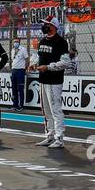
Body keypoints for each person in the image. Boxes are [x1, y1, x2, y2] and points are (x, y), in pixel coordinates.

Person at [33, 18, 70, 148]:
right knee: (46, 111)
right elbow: (39, 57)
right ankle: (50, 136)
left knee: (56, 110)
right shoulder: (42, 41)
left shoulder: (61, 42)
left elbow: (65, 62)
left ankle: (59, 138)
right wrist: (34, 64)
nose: (44, 26)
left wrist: (48, 67)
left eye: (46, 24)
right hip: (43, 79)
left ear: (53, 26)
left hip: (54, 81)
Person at [10, 39, 29, 111]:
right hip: (14, 70)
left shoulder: (23, 49)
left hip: (21, 70)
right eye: (14, 42)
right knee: (14, 89)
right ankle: (15, 105)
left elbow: (27, 59)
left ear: (19, 42)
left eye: (17, 42)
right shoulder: (12, 50)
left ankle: (21, 106)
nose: (15, 43)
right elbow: (13, 60)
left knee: (20, 89)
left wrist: (25, 69)